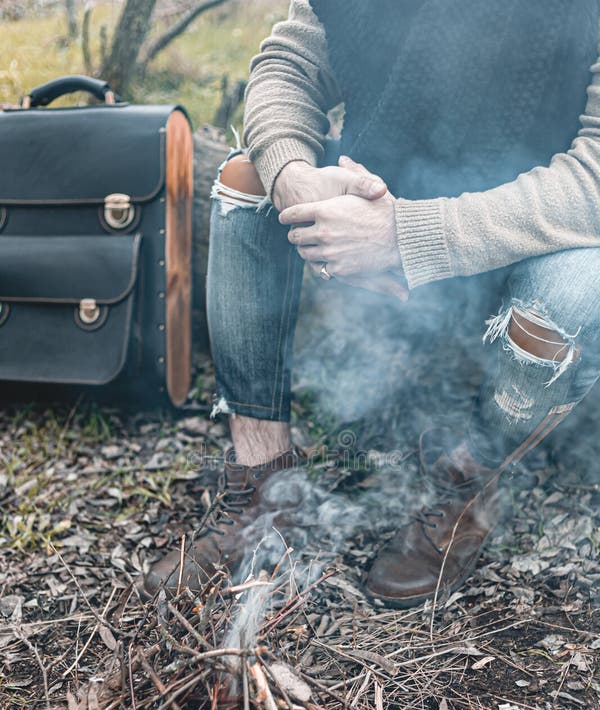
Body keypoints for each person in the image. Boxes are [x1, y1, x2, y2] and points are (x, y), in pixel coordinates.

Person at [144, 0, 600, 607]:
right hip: (385, 191)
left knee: (575, 283)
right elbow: (287, 64)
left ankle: (470, 485)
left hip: (521, 231)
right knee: (245, 181)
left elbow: (593, 179)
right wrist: (294, 182)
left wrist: (405, 236)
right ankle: (264, 488)